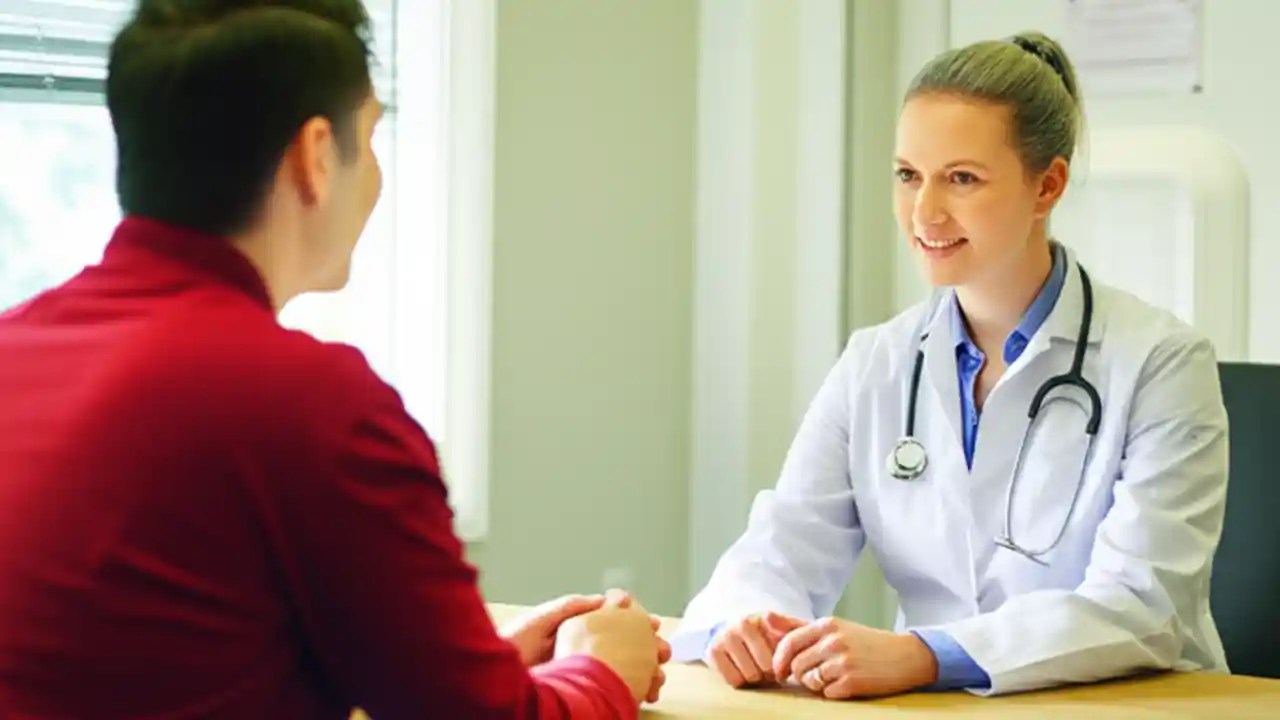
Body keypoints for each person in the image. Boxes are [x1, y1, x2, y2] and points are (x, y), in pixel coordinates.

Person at [0, 2, 666, 718]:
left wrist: (477, 658)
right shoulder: (311, 406)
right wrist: (601, 667)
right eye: (372, 134)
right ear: (315, 156)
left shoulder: (15, 347)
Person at [671, 31, 1230, 698]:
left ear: (1047, 185)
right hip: (937, 706)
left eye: (961, 178)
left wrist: (925, 656)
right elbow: (782, 544)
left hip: (1129, 705)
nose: (924, 211)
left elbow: (1141, 604)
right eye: (909, 174)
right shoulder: (874, 363)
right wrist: (745, 624)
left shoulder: (1161, 364)